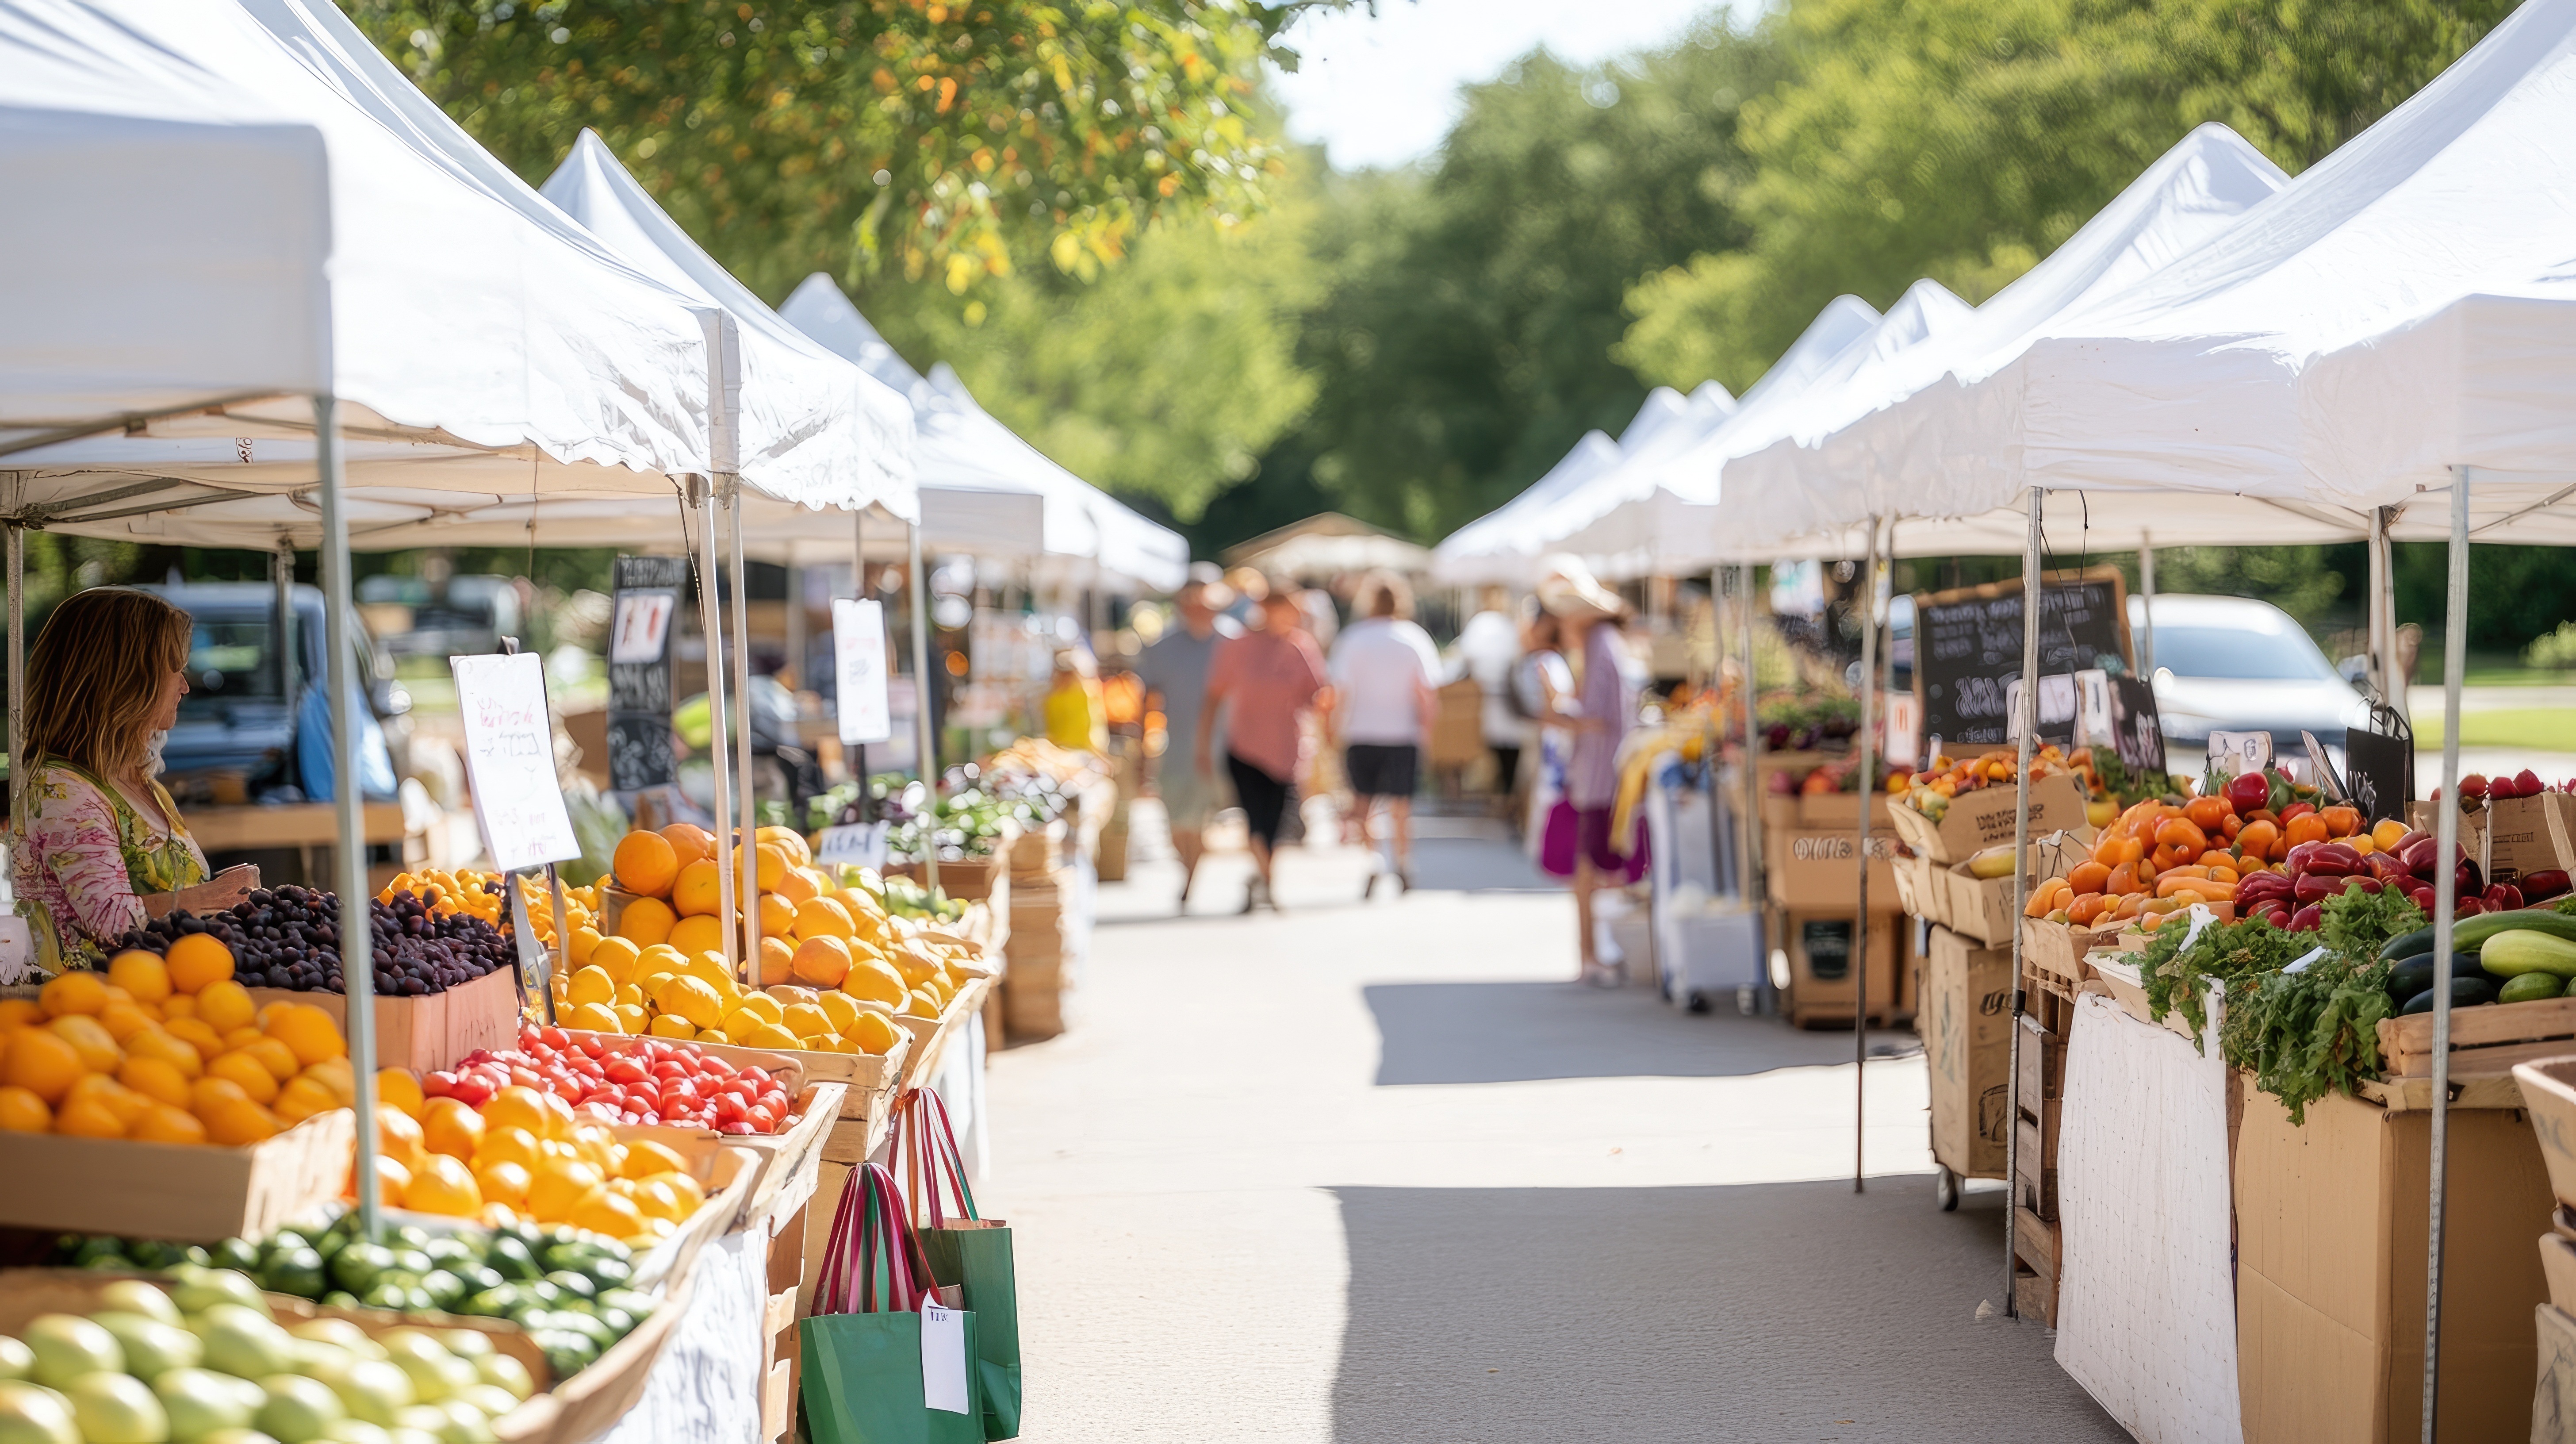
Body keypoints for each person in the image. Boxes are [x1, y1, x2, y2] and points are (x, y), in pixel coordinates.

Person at [10, 588, 258, 976]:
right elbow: (114, 925)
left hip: (169, 1003)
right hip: (98, 1013)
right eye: (175, 668)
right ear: (126, 678)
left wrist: (227, 897)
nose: (185, 685)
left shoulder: (144, 785)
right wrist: (211, 897)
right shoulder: (62, 791)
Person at [1538, 555, 1644, 986]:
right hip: (1599, 772)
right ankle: (1597, 953)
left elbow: (1596, 716)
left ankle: (1594, 954)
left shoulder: (1600, 645)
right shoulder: (1605, 644)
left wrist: (1555, 709)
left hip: (1599, 774)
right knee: (1597, 866)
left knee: (1592, 865)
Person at [1198, 575, 1328, 913]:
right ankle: (1268, 883)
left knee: (1276, 823)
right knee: (1254, 818)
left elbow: (1316, 695)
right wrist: (1203, 744)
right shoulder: (1238, 646)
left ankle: (1262, 878)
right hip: (1245, 746)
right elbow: (1214, 696)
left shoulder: (1301, 646)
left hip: (1286, 749)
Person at [1328, 570, 1440, 895]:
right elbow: (1427, 693)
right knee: (1401, 805)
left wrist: (1336, 730)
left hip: (1361, 731)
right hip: (1403, 733)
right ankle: (1404, 863)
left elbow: (1341, 692)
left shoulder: (1353, 639)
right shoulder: (1414, 638)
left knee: (1364, 803)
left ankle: (1375, 859)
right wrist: (1428, 733)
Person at [1136, 566, 1241, 908]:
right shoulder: (1162, 646)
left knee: (1206, 818)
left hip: (1225, 747)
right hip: (1178, 746)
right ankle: (1187, 869)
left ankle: (1191, 880)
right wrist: (1142, 751)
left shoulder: (1236, 641)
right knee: (1177, 822)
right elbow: (1145, 701)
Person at [1453, 583, 1530, 821]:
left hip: (1491, 699)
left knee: (1494, 751)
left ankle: (1501, 798)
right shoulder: (1505, 626)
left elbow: (1466, 660)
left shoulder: (1484, 625)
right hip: (1505, 699)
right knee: (1507, 751)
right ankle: (1505, 797)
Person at [1041, 647, 1108, 754]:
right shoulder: (1053, 698)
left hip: (1085, 751)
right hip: (1061, 751)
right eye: (1063, 674)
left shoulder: (1087, 694)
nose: (1066, 678)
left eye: (1069, 674)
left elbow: (1096, 726)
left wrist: (1098, 750)